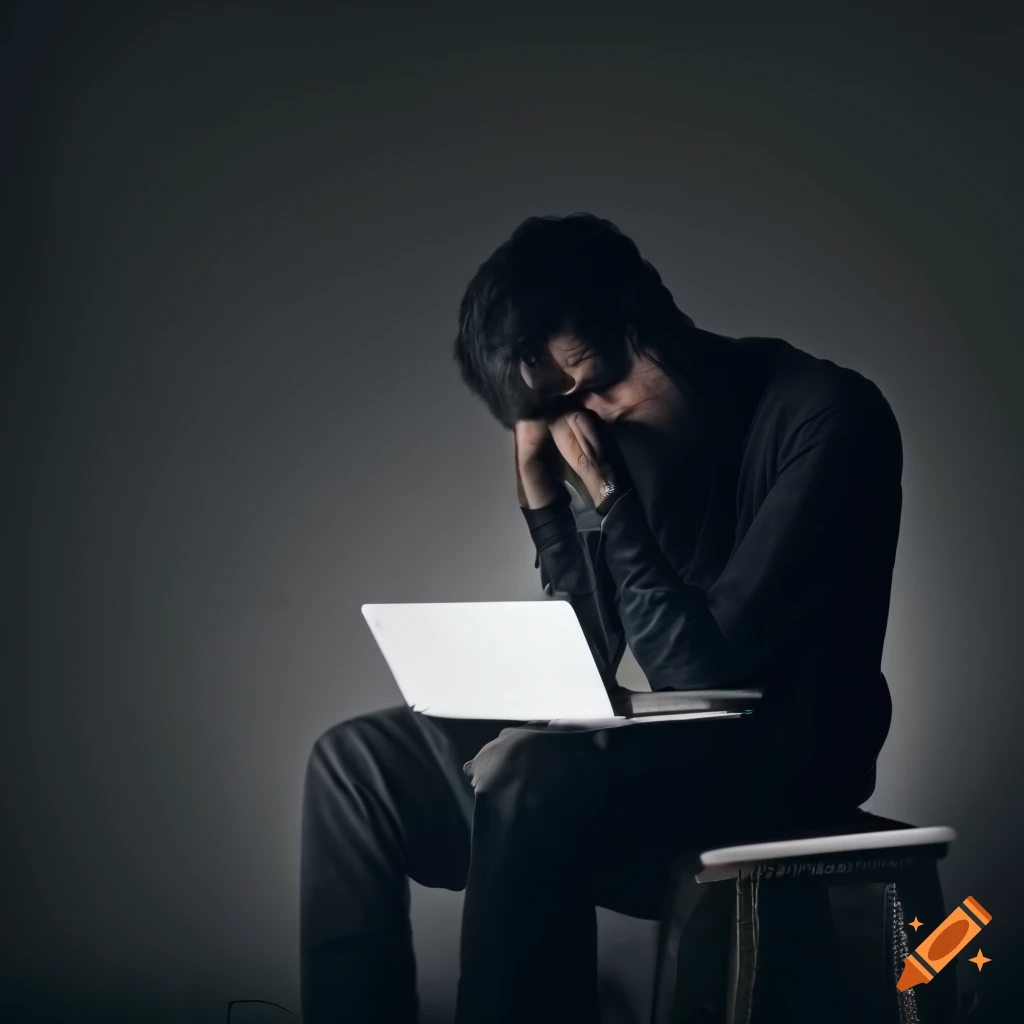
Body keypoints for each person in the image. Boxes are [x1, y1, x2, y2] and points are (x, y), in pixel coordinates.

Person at [299, 213, 901, 1023]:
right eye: (555, 404)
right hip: (636, 768)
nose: (589, 418)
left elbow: (703, 668)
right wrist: (549, 509)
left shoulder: (825, 416)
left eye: (597, 376)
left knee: (531, 771)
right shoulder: (629, 444)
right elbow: (591, 658)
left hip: (783, 773)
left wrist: (611, 496)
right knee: (355, 763)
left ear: (652, 318)